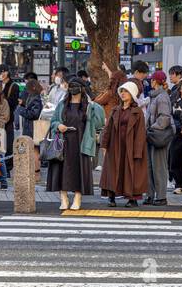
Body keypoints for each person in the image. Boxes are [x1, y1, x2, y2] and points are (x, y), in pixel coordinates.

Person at [48, 78, 105, 210]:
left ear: (81, 88)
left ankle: (78, 198)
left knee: (79, 170)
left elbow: (100, 122)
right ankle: (63, 198)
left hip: (81, 142)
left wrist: (93, 103)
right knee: (62, 170)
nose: (72, 88)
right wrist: (58, 125)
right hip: (63, 142)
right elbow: (53, 121)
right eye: (71, 86)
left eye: (75, 86)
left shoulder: (88, 106)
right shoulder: (63, 104)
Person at [100, 80, 148, 206]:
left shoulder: (138, 112)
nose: (123, 93)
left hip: (130, 146)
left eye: (126, 91)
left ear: (132, 94)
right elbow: (108, 128)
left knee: (130, 171)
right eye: (121, 91)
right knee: (113, 170)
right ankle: (111, 197)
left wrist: (138, 151)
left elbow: (140, 133)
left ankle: (132, 199)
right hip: (115, 145)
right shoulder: (116, 110)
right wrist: (104, 144)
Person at [144, 70, 172, 206]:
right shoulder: (155, 96)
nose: (150, 81)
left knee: (159, 167)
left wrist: (151, 129)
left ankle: (161, 197)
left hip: (158, 136)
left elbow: (165, 118)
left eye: (152, 79)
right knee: (150, 166)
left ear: (155, 81)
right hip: (152, 136)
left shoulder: (162, 97)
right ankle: (151, 195)